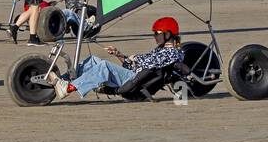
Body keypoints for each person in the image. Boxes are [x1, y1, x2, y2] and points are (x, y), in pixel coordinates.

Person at [53, 16, 185, 99]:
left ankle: (68, 88)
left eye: (157, 33)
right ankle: (62, 80)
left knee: (104, 66)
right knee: (93, 60)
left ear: (168, 34)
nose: (155, 36)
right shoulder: (160, 50)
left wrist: (136, 58)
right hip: (132, 76)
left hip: (135, 81)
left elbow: (148, 66)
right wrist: (120, 54)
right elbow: (136, 65)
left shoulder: (171, 53)